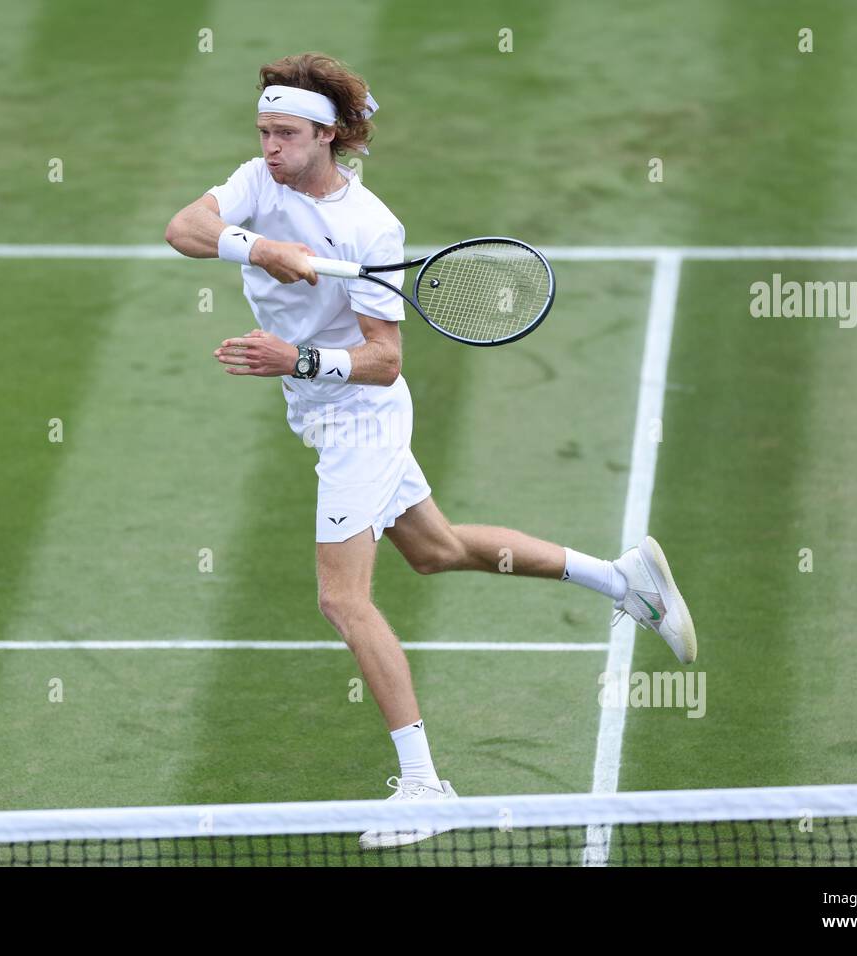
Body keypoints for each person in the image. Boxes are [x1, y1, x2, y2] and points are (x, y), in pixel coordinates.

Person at [164, 52, 696, 849]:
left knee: (343, 601)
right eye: (263, 132)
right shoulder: (254, 182)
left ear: (328, 135)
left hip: (359, 415)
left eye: (285, 135)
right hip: (316, 408)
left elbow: (384, 362)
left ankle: (424, 786)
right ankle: (622, 578)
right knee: (437, 549)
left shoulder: (371, 230)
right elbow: (184, 229)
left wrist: (299, 358)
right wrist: (262, 249)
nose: (269, 147)